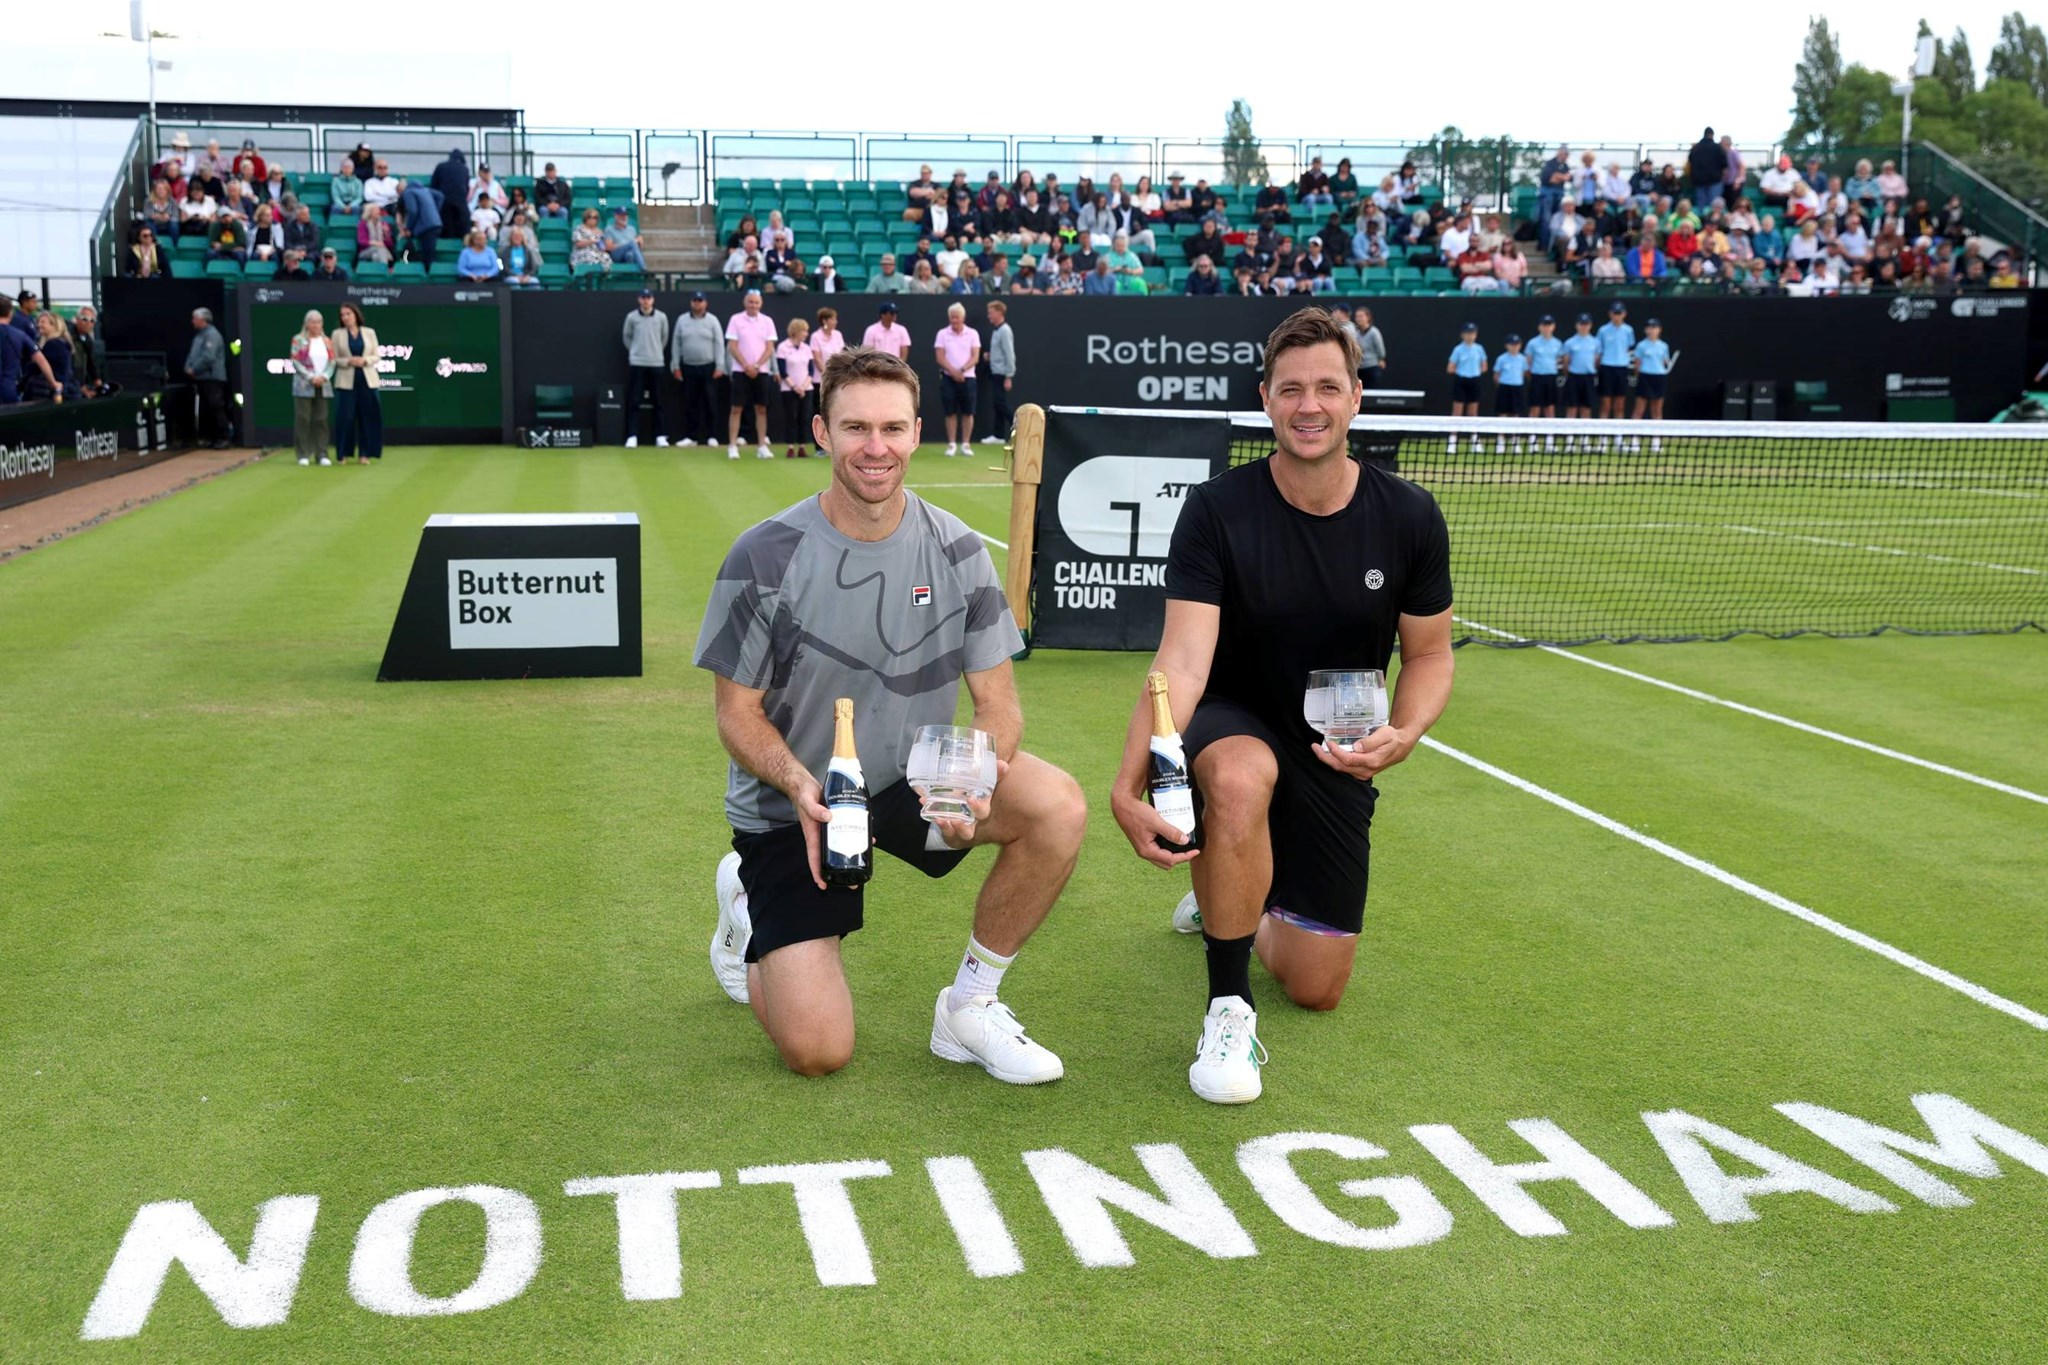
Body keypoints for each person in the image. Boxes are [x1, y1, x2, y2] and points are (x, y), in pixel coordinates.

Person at [697, 345, 1081, 1082]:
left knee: (1057, 805)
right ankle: (748, 904)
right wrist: (798, 784)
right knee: (818, 1052)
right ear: (822, 431)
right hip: (798, 804)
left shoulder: (957, 547)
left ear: (916, 433)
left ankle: (969, 1005)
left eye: (893, 428)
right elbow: (735, 715)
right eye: (856, 428)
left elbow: (999, 702)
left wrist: (967, 783)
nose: (876, 447)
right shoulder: (764, 555)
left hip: (913, 780)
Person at [1109, 307, 1453, 1104]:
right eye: (1290, 388)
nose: (1309, 405)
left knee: (1316, 985)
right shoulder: (1216, 508)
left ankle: (1230, 896)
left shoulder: (1410, 515)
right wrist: (1127, 781)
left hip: (1337, 745)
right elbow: (1182, 660)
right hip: (1232, 718)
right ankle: (1228, 1008)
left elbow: (1431, 654)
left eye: (1327, 387)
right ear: (1265, 398)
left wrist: (1406, 729)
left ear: (1356, 397)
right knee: (1237, 778)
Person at [666, 291, 727, 448]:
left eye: (700, 301)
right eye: (695, 300)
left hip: (708, 366)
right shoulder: (682, 320)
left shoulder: (713, 320)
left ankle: (712, 436)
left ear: (705, 303)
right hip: (688, 366)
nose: (697, 303)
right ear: (691, 302)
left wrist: (720, 365)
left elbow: (719, 344)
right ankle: (691, 436)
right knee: (690, 403)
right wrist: (675, 365)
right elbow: (676, 344)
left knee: (710, 403)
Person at [327, 302, 384, 466]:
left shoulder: (369, 332)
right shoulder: (337, 334)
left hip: (368, 381)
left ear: (356, 315)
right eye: (342, 315)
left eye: (348, 314)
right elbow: (334, 358)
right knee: (345, 418)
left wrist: (365, 360)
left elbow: (376, 355)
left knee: (368, 418)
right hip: (346, 382)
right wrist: (348, 361)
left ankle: (365, 454)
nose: (345, 317)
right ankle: (343, 454)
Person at [725, 289, 778, 461]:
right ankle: (732, 446)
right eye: (750, 302)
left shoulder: (767, 321)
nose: (753, 305)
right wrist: (746, 366)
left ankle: (761, 446)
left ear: (760, 304)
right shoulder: (735, 319)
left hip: (761, 371)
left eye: (756, 302)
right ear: (745, 303)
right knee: (736, 409)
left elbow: (769, 348)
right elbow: (732, 346)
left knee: (761, 409)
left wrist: (756, 365)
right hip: (740, 371)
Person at [288, 309, 335, 466]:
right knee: (303, 419)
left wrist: (324, 376)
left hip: (323, 384)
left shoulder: (327, 341)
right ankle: (303, 454)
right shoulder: (298, 340)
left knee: (321, 419)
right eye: (313, 322)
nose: (316, 325)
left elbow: (332, 362)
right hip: (303, 385)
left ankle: (322, 454)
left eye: (318, 322)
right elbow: (295, 360)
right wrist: (310, 376)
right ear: (307, 324)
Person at [933, 303, 981, 455]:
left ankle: (966, 444)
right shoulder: (942, 334)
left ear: (963, 318)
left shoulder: (972, 333)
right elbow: (940, 357)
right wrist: (953, 372)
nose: (954, 320)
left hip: (968, 377)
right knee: (950, 412)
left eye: (957, 317)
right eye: (952, 317)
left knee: (968, 412)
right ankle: (952, 444)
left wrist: (962, 370)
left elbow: (975, 357)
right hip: (948, 377)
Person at [773, 317, 818, 458]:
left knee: (804, 418)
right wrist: (794, 387)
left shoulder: (806, 348)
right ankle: (791, 447)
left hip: (806, 389)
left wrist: (803, 387)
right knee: (791, 418)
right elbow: (782, 371)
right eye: (804, 331)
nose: (806, 334)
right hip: (788, 389)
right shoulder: (783, 347)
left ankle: (802, 447)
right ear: (796, 331)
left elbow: (811, 371)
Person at [184, 308, 230, 447]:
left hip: (212, 377)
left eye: (195, 318)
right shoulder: (198, 336)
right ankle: (211, 438)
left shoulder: (212, 335)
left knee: (216, 407)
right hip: (201, 378)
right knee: (206, 410)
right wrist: (188, 367)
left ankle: (223, 438)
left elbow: (208, 357)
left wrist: (194, 369)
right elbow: (192, 354)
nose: (192, 321)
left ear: (202, 319)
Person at [0, 300, 56, 405]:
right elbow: (41, 360)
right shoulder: (18, 335)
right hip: (8, 389)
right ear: (10, 313)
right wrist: (54, 383)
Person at [1595, 302, 1635, 420]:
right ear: (1610, 314)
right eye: (1615, 313)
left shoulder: (1628, 330)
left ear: (1624, 314)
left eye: (1619, 313)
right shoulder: (1603, 330)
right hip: (1607, 367)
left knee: (1620, 405)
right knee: (1605, 404)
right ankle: (1603, 430)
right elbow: (1599, 350)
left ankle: (1619, 431)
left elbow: (1629, 347)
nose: (1617, 316)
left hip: (1622, 368)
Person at [983, 300, 1016, 443]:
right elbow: (1001, 352)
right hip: (995, 372)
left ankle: (1018, 427)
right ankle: (998, 435)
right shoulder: (997, 330)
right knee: (997, 404)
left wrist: (1009, 375)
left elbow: (1009, 354)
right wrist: (990, 356)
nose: (989, 316)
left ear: (999, 313)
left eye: (991, 313)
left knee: (1001, 403)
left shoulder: (1005, 330)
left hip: (1002, 373)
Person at [1630, 319, 1671, 427]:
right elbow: (1637, 364)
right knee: (1639, 409)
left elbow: (1665, 362)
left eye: (1654, 328)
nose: (1652, 330)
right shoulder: (1641, 345)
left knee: (1656, 410)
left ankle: (1656, 437)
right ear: (1646, 330)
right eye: (1650, 328)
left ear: (1659, 330)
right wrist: (1639, 377)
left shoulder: (1664, 346)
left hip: (1659, 378)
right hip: (1645, 377)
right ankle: (1634, 435)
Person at [1559, 313, 1599, 420]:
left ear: (1590, 325)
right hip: (1574, 377)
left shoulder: (1595, 342)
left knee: (1586, 409)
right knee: (1571, 409)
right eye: (1581, 324)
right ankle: (1569, 431)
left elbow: (1596, 361)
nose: (1584, 326)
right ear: (1576, 325)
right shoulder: (1569, 342)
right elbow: (1566, 362)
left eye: (1586, 324)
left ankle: (1585, 431)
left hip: (1588, 377)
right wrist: (1569, 373)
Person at [396, 178, 444, 266]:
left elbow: (413, 211)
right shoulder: (424, 189)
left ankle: (429, 272)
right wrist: (434, 212)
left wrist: (409, 228)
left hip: (426, 227)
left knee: (428, 256)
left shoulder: (408, 193)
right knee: (430, 253)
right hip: (436, 223)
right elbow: (440, 196)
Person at [1524, 315, 1562, 420]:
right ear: (1539, 327)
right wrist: (1532, 376)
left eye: (1549, 325)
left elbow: (1560, 361)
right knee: (1535, 408)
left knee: (1549, 408)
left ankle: (1550, 431)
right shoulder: (1533, 343)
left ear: (1553, 327)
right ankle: (1532, 430)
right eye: (1544, 325)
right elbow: (1528, 362)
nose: (1546, 328)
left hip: (1551, 377)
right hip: (1537, 377)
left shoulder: (1557, 343)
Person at [71, 306, 108, 398]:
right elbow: (72, 366)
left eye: (92, 320)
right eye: (85, 319)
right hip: (70, 386)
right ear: (76, 319)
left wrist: (97, 379)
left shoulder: (88, 339)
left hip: (79, 385)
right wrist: (81, 387)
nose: (88, 323)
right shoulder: (69, 338)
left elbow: (91, 362)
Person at [1492, 333, 1528, 420]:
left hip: (1517, 387)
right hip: (1504, 387)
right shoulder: (1501, 358)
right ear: (1506, 345)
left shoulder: (1523, 359)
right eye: (1511, 344)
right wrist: (1501, 385)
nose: (1514, 347)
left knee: (1516, 412)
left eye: (1516, 344)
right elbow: (1496, 374)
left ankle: (1515, 429)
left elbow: (1524, 372)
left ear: (1520, 345)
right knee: (1503, 411)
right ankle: (1501, 429)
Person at [1354, 305, 1386, 388]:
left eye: (1361, 316)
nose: (1358, 319)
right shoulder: (1356, 333)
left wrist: (1381, 359)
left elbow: (1380, 350)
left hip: (1372, 368)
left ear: (1368, 317)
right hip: (1359, 369)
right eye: (1357, 316)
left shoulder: (1374, 332)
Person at [572, 208, 610, 273]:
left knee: (606, 257)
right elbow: (578, 244)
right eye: (590, 217)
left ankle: (603, 276)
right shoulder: (579, 228)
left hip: (598, 252)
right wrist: (591, 241)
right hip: (582, 252)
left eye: (595, 217)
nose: (592, 219)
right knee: (591, 256)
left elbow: (603, 246)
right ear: (585, 218)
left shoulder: (600, 231)